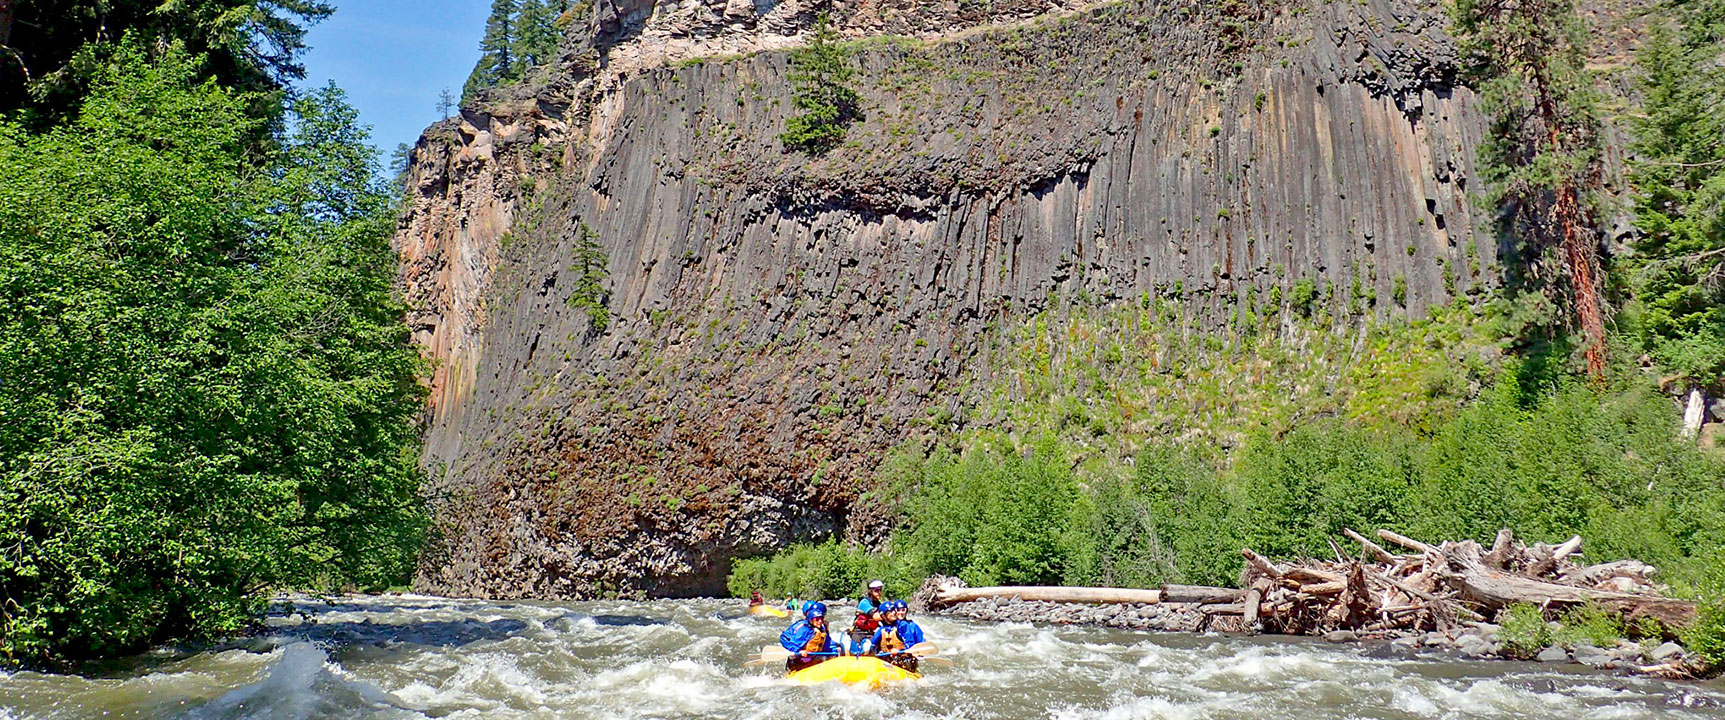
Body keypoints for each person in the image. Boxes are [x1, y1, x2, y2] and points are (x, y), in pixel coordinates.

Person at [779, 601, 839, 672]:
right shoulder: (804, 629)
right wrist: (798, 651)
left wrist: (836, 649)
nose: (820, 621)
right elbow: (788, 641)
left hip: (813, 660)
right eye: (817, 619)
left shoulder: (821, 630)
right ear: (811, 618)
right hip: (798, 664)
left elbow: (828, 645)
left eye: (821, 619)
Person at [870, 600, 927, 672]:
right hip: (888, 662)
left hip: (904, 662)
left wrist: (900, 651)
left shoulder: (903, 625)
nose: (894, 613)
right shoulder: (881, 630)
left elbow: (910, 645)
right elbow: (873, 646)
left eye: (893, 610)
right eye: (890, 611)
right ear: (883, 616)